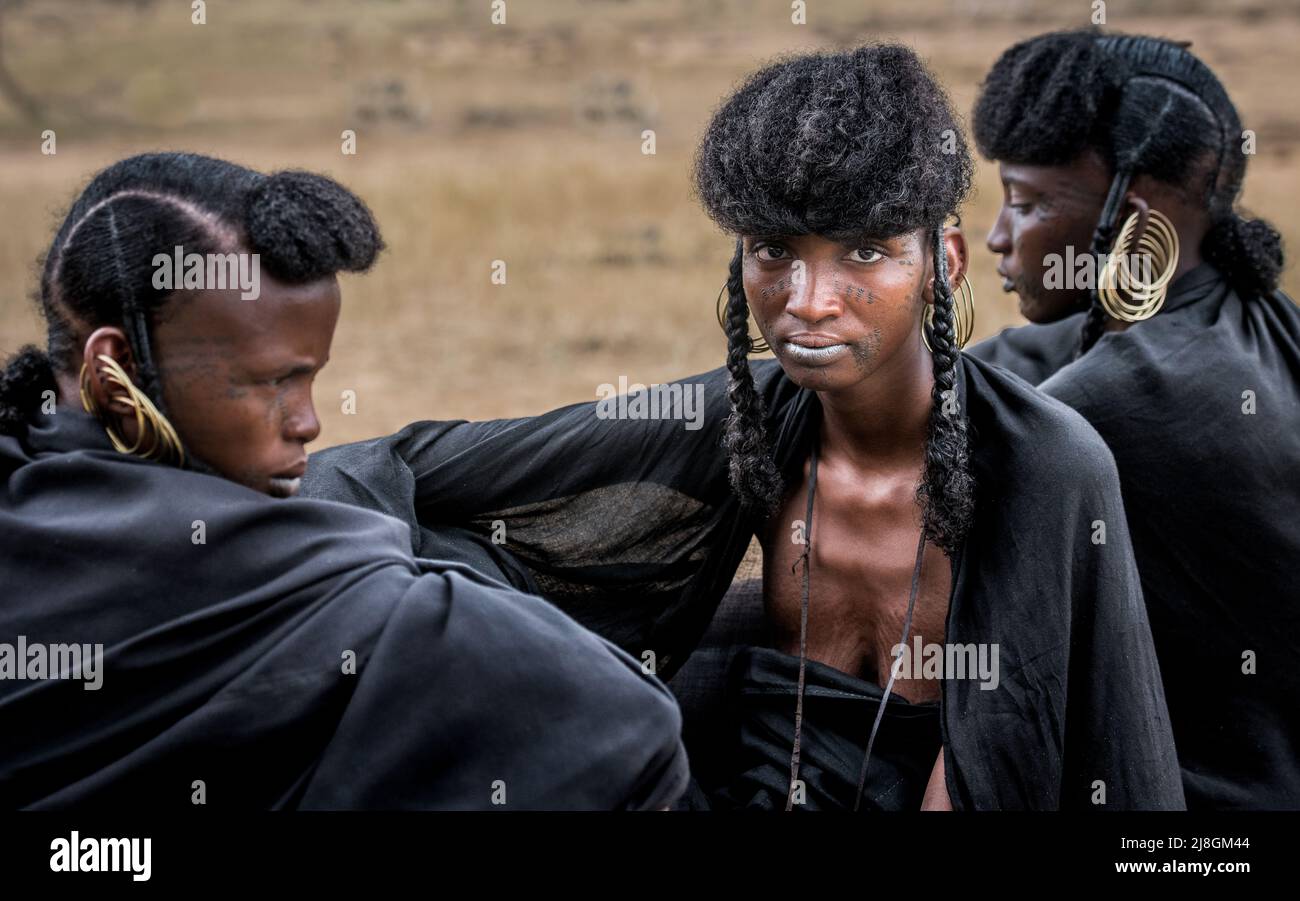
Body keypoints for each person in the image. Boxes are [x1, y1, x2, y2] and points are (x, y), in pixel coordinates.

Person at [302, 45, 1184, 811]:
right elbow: (413, 466)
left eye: (863, 253)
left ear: (941, 264)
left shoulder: (1046, 464)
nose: (805, 303)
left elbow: (1023, 754)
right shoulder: (745, 422)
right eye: (772, 252)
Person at [0, 152, 688, 810]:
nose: (308, 422)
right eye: (271, 382)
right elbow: (628, 727)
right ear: (116, 369)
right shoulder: (305, 582)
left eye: (312, 378)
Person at [969, 30, 1300, 809]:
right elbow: (1003, 363)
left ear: (1134, 218)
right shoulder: (1258, 322)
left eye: (1026, 203)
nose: (998, 237)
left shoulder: (1115, 400)